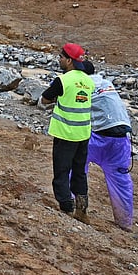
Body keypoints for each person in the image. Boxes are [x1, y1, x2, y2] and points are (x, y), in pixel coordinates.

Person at [40, 42, 94, 221]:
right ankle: (81, 207)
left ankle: (66, 206)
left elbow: (45, 99)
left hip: (65, 133)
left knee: (62, 171)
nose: (59, 60)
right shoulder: (88, 81)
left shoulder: (62, 80)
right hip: (83, 134)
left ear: (69, 61)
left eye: (61, 57)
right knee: (79, 171)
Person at [81, 60, 135, 231]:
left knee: (76, 168)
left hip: (97, 137)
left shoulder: (82, 85)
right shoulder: (106, 83)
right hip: (122, 138)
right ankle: (124, 222)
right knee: (121, 180)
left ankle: (74, 205)